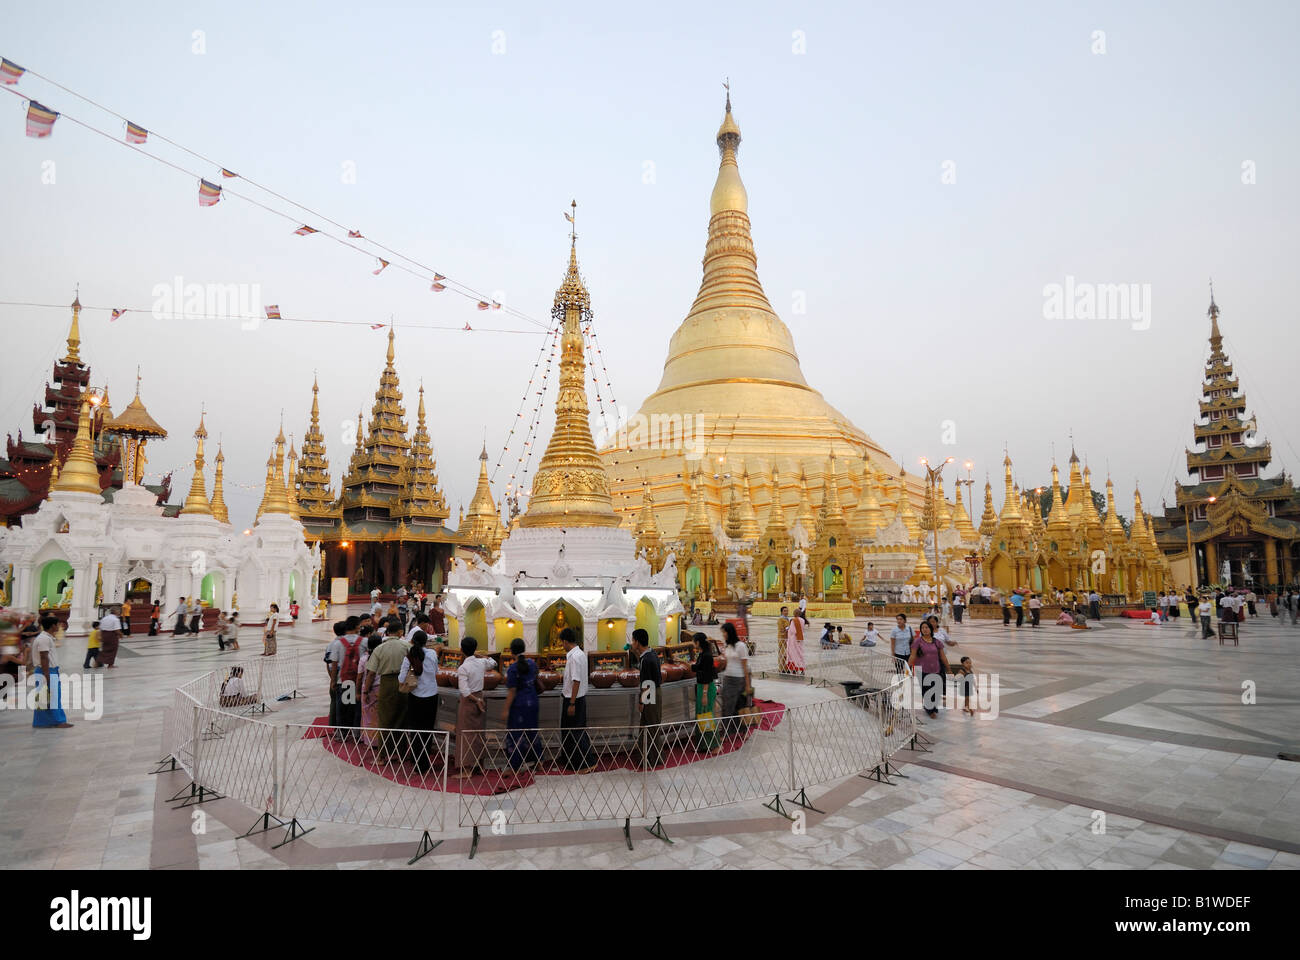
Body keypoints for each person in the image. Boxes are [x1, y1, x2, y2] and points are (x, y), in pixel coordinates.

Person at [363, 618, 411, 758]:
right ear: (400, 632)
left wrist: (366, 690)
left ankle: (382, 755)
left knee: (384, 719)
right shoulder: (406, 646)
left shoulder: (379, 648)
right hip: (402, 682)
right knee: (401, 717)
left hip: (386, 683)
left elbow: (371, 673)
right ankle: (401, 753)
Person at [454, 637, 496, 778]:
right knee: (478, 733)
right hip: (480, 698)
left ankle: (467, 770)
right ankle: (479, 764)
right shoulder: (481, 662)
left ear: (461, 650)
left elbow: (464, 691)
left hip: (469, 701)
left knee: (465, 734)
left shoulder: (463, 668)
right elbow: (493, 662)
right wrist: (479, 655)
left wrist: (475, 700)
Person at [400, 630, 439, 774]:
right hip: (431, 696)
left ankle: (416, 761)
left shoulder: (409, 657)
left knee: (415, 730)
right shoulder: (432, 654)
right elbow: (436, 672)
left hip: (415, 696)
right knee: (427, 730)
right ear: (426, 641)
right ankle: (425, 762)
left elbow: (401, 678)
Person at [559, 628, 597, 772]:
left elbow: (576, 680)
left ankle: (585, 764)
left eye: (562, 642)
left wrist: (572, 703)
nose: (562, 645)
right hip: (579, 698)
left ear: (565, 641)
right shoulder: (580, 654)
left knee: (574, 733)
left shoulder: (574, 657)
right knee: (576, 731)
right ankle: (573, 761)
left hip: (573, 700)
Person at [503, 638, 542, 774]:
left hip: (519, 705)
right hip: (533, 702)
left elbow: (512, 691)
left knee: (516, 734)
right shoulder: (532, 663)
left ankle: (514, 766)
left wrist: (506, 709)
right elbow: (536, 678)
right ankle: (538, 762)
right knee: (533, 732)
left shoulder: (512, 669)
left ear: (511, 651)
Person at [32, 615, 73, 728]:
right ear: (53, 626)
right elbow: (44, 658)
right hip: (46, 671)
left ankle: (42, 721)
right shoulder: (44, 639)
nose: (59, 626)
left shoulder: (46, 637)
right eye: (57, 624)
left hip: (48, 670)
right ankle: (59, 721)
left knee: (45, 697)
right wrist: (47, 676)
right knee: (53, 696)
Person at [631, 628, 664, 767]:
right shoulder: (652, 653)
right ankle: (645, 757)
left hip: (650, 692)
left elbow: (646, 684)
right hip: (655, 691)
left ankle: (654, 759)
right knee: (647, 725)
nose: (632, 643)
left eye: (633, 640)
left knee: (650, 726)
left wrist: (641, 701)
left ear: (638, 642)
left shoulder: (645, 660)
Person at [908, 619, 949, 720]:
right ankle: (930, 709)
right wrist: (907, 667)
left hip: (936, 669)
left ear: (930, 629)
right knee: (927, 691)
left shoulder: (937, 642)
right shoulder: (918, 641)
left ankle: (931, 706)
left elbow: (943, 656)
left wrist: (948, 668)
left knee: (936, 690)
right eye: (922, 628)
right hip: (922, 670)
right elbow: (913, 656)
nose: (925, 630)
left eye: (926, 627)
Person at [719, 620, 752, 740]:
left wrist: (748, 685)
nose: (723, 635)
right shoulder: (727, 646)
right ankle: (727, 730)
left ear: (729, 632)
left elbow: (745, 666)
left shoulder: (741, 646)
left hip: (739, 679)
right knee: (727, 706)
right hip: (728, 678)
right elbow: (727, 662)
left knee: (741, 705)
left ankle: (744, 731)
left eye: (724, 632)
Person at [691, 632, 721, 754]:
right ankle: (704, 744)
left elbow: (708, 676)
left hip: (706, 689)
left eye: (694, 641)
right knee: (702, 715)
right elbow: (698, 667)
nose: (693, 643)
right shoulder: (703, 654)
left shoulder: (707, 656)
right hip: (702, 687)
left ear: (698, 642)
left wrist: (704, 694)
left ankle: (714, 745)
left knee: (706, 715)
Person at [357, 626, 380, 746]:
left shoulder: (364, 659)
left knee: (367, 716)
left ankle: (368, 740)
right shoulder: (382, 657)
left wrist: (360, 692)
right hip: (379, 688)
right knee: (379, 715)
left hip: (367, 689)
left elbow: (360, 677)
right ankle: (379, 740)